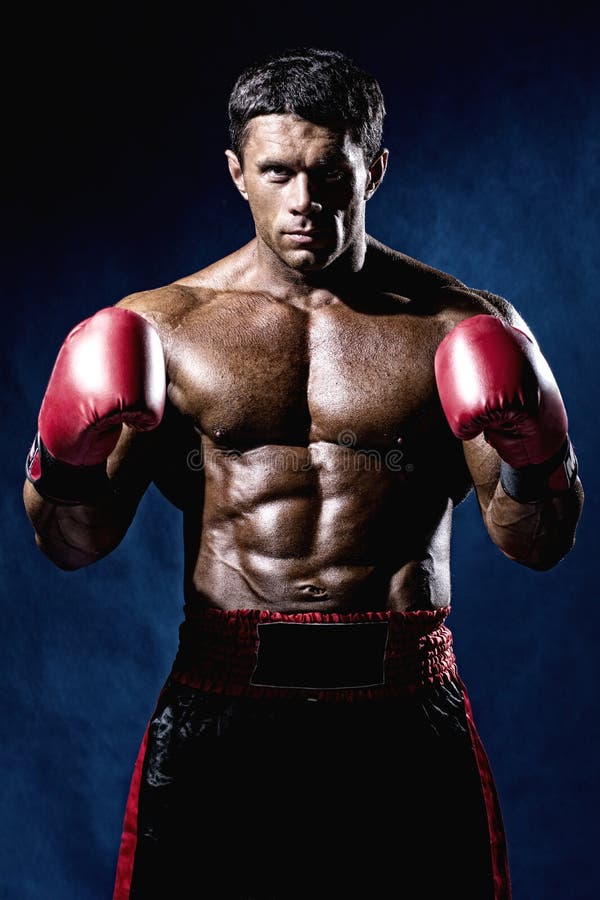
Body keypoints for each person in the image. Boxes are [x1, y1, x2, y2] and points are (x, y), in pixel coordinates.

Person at [23, 47, 584, 900]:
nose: (304, 201)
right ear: (235, 172)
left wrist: (538, 459)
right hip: (224, 708)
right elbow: (72, 542)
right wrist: (63, 457)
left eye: (330, 172)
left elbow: (536, 544)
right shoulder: (163, 329)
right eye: (278, 171)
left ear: (376, 169)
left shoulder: (457, 327)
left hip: (403, 706)